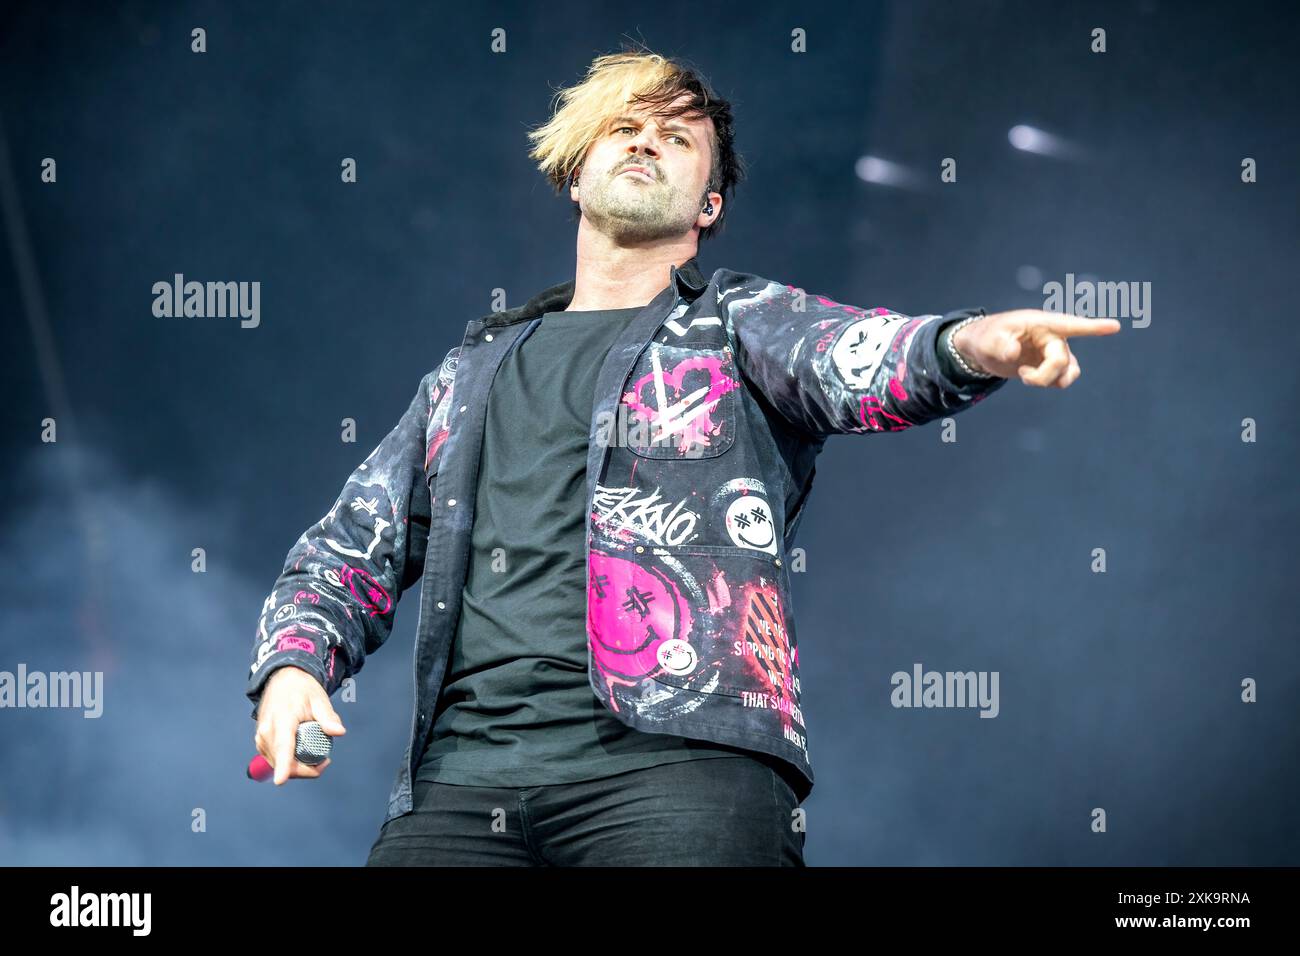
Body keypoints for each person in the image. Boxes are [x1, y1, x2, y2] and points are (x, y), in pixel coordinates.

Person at [245, 48, 1119, 866]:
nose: (645, 144)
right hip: (460, 784)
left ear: (710, 205)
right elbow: (346, 547)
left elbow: (859, 359)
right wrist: (292, 668)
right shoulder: (469, 371)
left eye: (676, 138)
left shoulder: (741, 321)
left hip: (681, 771)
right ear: (574, 173)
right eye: (623, 129)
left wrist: (971, 344)